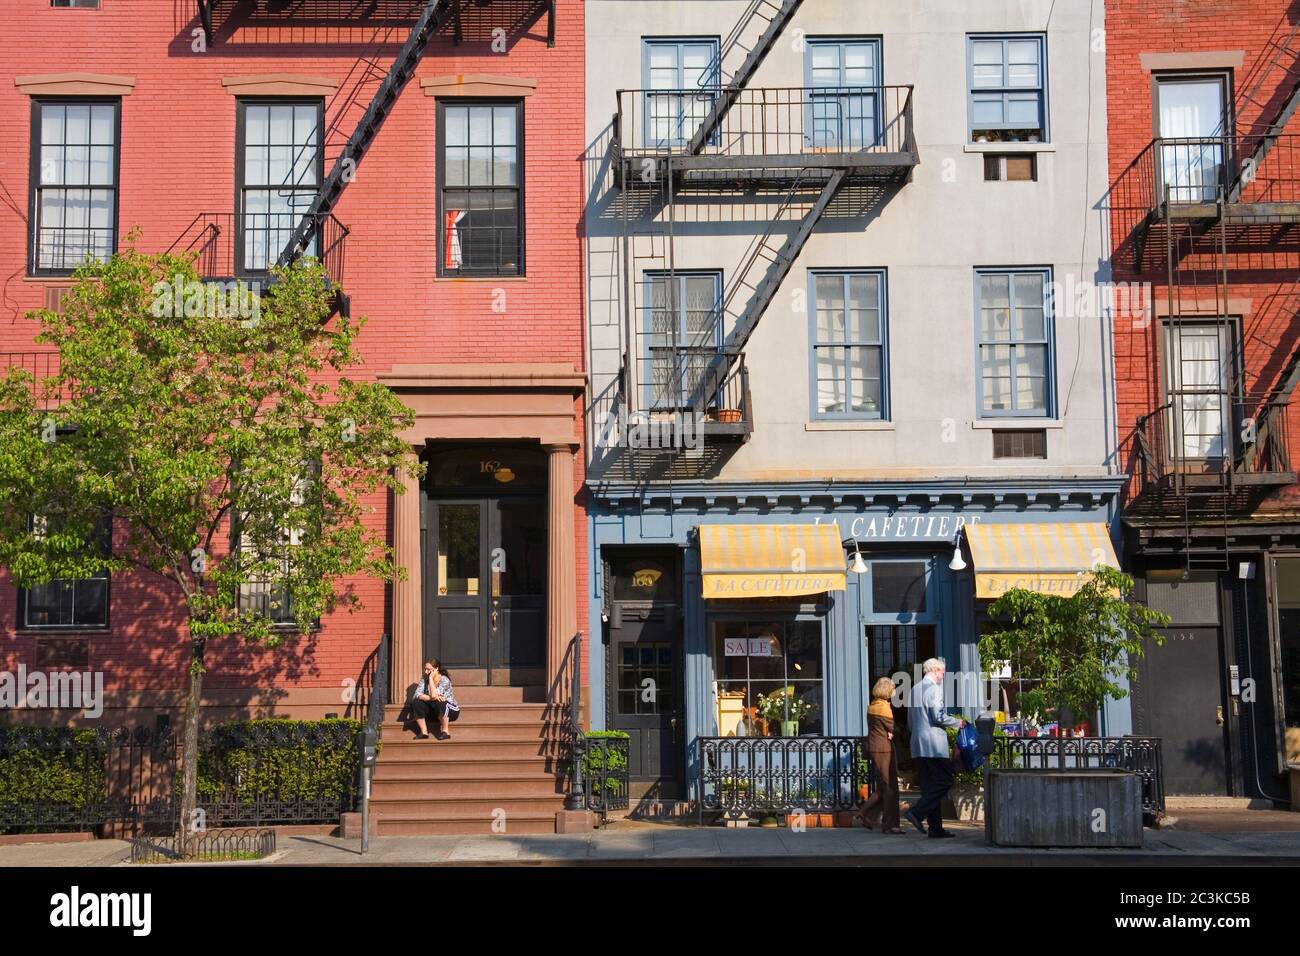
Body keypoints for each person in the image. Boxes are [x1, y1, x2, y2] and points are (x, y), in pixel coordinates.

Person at [905, 657, 965, 838]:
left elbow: (910, 721)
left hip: (918, 743)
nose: (943, 676)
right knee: (945, 781)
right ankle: (916, 813)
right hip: (933, 745)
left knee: (929, 786)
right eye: (941, 672)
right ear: (934, 670)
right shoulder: (934, 689)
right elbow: (939, 716)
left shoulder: (914, 690)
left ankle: (935, 828)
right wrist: (958, 722)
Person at [859, 676, 903, 833]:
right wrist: (896, 733)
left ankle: (870, 816)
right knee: (890, 787)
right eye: (893, 689)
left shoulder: (873, 705)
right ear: (887, 690)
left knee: (885, 786)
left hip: (876, 749)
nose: (894, 691)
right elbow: (893, 729)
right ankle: (887, 823)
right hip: (884, 750)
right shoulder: (884, 708)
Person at [411, 659, 460, 740]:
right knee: (416, 702)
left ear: (436, 669)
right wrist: (432, 698)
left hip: (451, 711)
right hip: (435, 711)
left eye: (429, 669)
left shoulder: (444, 680)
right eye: (425, 669)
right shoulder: (424, 678)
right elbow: (417, 695)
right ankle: (424, 732)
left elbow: (434, 695)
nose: (426, 672)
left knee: (440, 701)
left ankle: (445, 732)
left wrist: (430, 679)